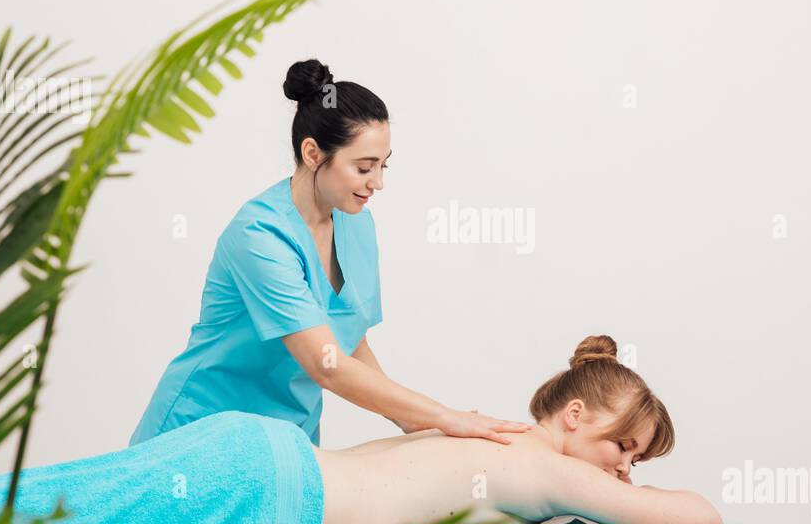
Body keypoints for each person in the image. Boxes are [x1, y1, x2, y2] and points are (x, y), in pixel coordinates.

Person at [0, 336, 723, 524]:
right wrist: (616, 492)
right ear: (575, 416)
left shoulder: (498, 442)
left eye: (634, 465)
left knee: (41, 502)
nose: (622, 476)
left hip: (260, 457)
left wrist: (609, 478)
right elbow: (702, 520)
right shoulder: (542, 464)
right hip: (264, 482)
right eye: (623, 450)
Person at [129, 58, 531, 449]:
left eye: (383, 167)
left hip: (284, 444)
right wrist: (445, 416)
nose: (377, 183)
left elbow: (350, 341)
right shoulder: (259, 235)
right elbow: (327, 364)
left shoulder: (356, 223)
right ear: (312, 153)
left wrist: (413, 420)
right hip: (198, 434)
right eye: (364, 167)